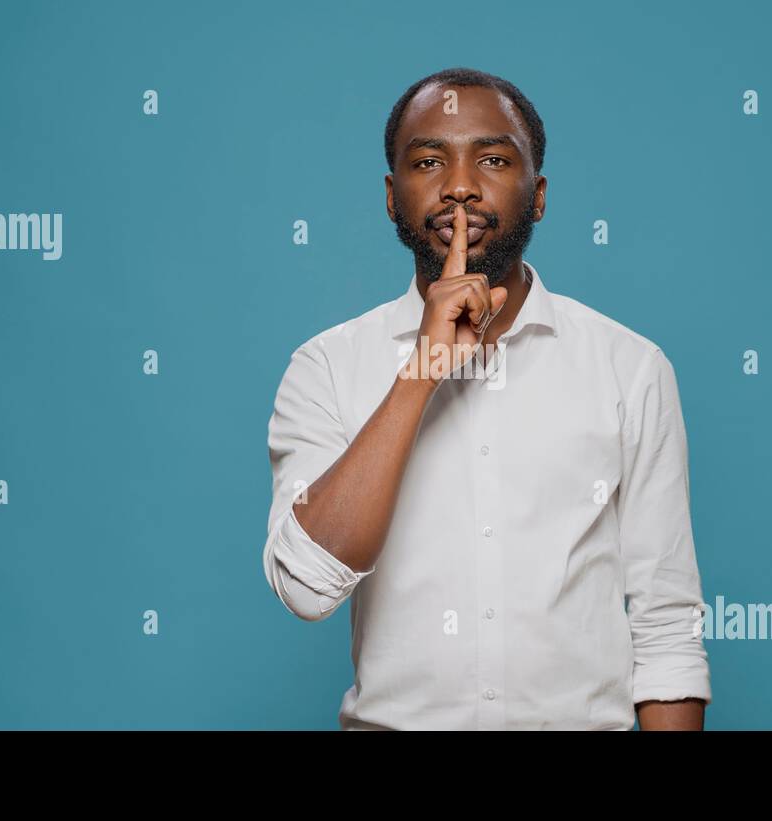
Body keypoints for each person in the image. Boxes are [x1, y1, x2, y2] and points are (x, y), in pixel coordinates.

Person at [262, 67, 711, 730]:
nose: (462, 186)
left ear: (539, 195)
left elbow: (666, 623)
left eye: (495, 159)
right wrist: (423, 368)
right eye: (428, 161)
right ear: (392, 197)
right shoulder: (327, 367)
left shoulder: (630, 367)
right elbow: (305, 586)